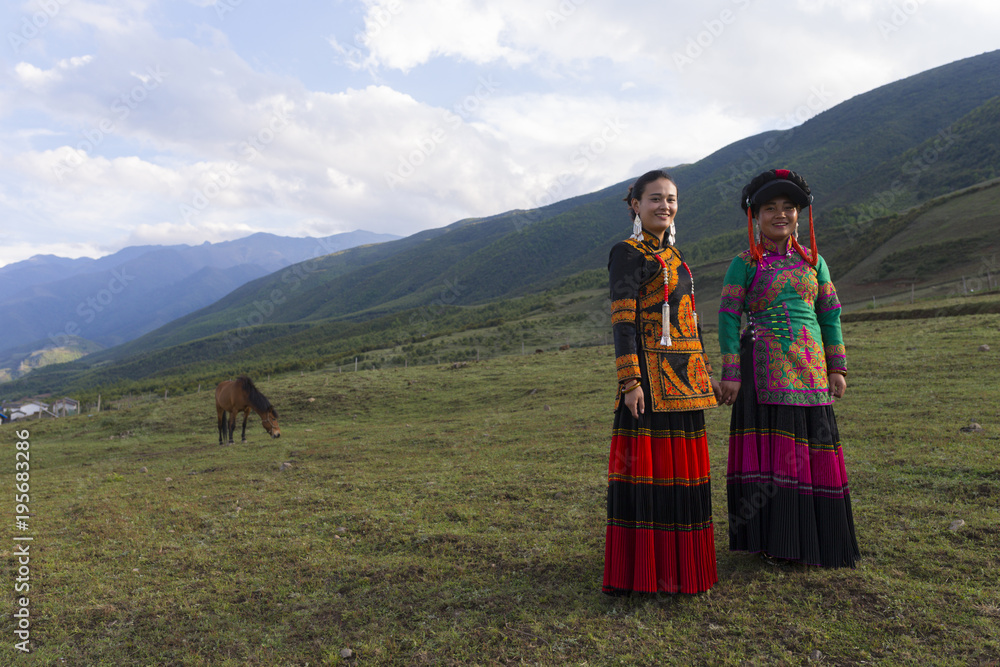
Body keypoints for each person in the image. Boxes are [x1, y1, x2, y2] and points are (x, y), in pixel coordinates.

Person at [717, 168, 860, 568]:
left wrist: (838, 368)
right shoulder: (743, 264)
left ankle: (819, 539)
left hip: (812, 372)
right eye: (770, 208)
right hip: (764, 372)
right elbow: (728, 318)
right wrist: (731, 372)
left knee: (811, 453)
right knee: (774, 456)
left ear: (800, 214)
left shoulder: (815, 263)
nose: (780, 215)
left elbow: (829, 316)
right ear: (755, 216)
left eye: (789, 207)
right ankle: (775, 541)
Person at [603, 169, 721, 595]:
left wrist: (706, 372)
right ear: (635, 204)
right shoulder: (627, 253)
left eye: (671, 199)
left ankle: (682, 569)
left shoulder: (676, 257)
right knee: (651, 478)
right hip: (649, 385)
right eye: (655, 199)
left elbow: (689, 319)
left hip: (686, 386)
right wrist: (630, 380)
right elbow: (623, 321)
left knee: (684, 480)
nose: (665, 206)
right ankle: (646, 573)